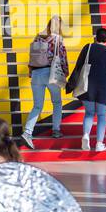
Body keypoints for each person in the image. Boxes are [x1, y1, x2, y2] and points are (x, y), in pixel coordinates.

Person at [67, 27, 106, 152]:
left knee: (89, 113)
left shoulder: (88, 48)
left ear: (95, 37)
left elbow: (78, 66)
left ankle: (86, 134)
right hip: (103, 90)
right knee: (102, 115)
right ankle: (99, 143)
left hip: (88, 88)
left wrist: (71, 83)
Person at [21, 13, 68, 148]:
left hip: (36, 73)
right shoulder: (58, 39)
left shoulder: (38, 37)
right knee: (57, 102)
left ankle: (27, 132)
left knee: (37, 105)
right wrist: (65, 74)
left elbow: (32, 57)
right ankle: (56, 130)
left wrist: (31, 72)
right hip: (51, 73)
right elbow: (63, 57)